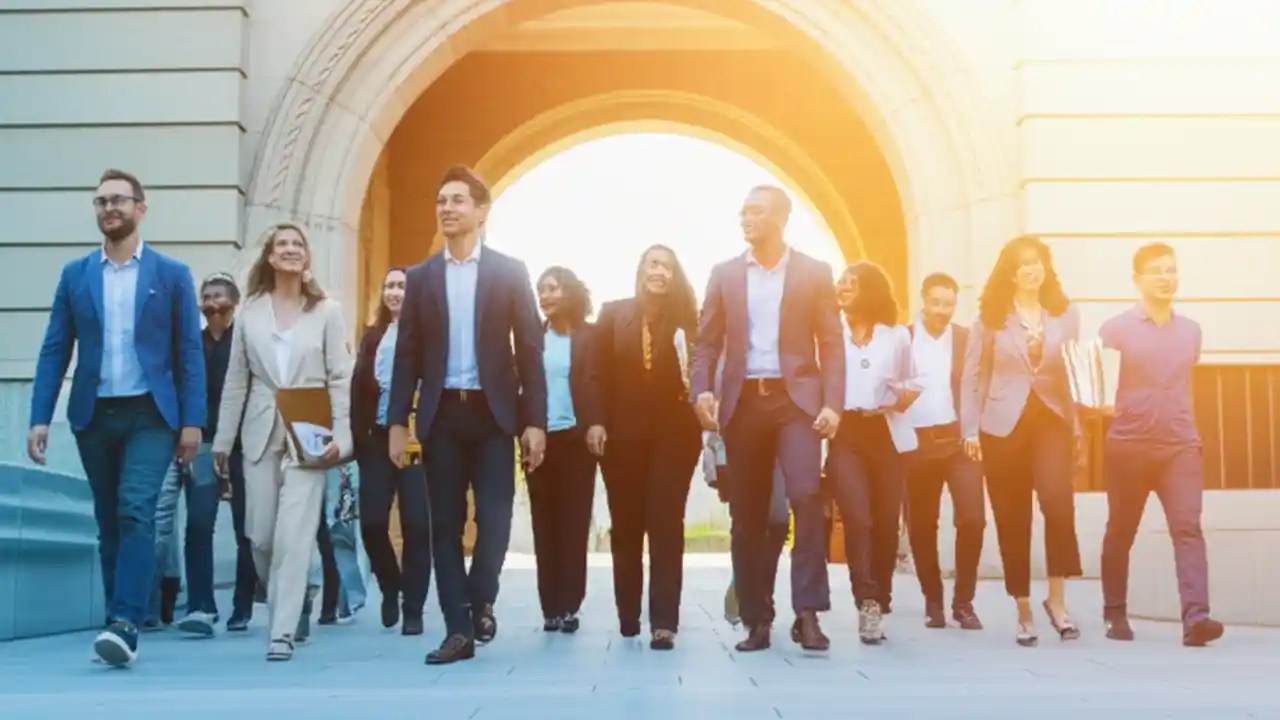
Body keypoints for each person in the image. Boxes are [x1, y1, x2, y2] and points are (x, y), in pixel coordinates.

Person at [27, 168, 206, 666]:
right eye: (101, 201)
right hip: (94, 414)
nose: (109, 209)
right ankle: (118, 616)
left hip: (151, 414)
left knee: (135, 509)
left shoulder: (170, 275)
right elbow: (54, 349)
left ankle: (125, 622)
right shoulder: (76, 275)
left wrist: (193, 421)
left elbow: (188, 352)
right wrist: (40, 416)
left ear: (140, 209)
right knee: (109, 520)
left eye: (119, 201)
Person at [388, 165, 547, 665]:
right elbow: (407, 355)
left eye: (458, 200)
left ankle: (482, 597)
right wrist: (397, 422)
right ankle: (458, 628)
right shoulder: (420, 278)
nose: (448, 208)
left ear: (480, 211)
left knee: (496, 520)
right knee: (446, 525)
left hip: (494, 415)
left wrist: (534, 422)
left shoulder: (509, 272)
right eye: (441, 200)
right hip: (441, 418)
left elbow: (530, 352)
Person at [691, 185, 844, 653]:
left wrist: (832, 403)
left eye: (755, 211)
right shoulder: (725, 274)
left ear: (780, 218)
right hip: (743, 405)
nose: (745, 218)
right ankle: (757, 618)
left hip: (795, 402)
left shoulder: (814, 272)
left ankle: (808, 613)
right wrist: (700, 390)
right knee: (748, 515)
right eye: (742, 211)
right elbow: (707, 342)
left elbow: (832, 343)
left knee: (805, 495)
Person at [212, 222, 353, 662]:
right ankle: (303, 592)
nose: (291, 250)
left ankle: (282, 631)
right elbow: (236, 380)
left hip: (310, 433)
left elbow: (340, 378)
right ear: (270, 258)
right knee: (260, 537)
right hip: (258, 431)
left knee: (295, 534)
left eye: (298, 244)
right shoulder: (250, 312)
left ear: (306, 257)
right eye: (282, 245)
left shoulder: (328, 311)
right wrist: (222, 439)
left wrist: (344, 436)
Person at [1098, 243, 1224, 647]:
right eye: (1156, 271)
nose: (1166, 278)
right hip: (1129, 445)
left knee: (1188, 528)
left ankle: (1196, 618)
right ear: (1137, 279)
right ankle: (1115, 612)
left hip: (1180, 445)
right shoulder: (1114, 330)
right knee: (1121, 530)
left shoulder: (1191, 331)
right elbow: (1100, 387)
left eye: (1171, 270)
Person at [961, 234, 1082, 647]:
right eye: (1023, 262)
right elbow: (973, 376)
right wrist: (970, 429)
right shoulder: (991, 320)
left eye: (1038, 261)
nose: (1032, 269)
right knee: (1013, 517)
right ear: (1011, 273)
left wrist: (1078, 426)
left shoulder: (1066, 315)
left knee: (1057, 501)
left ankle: (1058, 601)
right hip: (1001, 424)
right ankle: (1024, 609)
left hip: (1050, 418)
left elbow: (1071, 375)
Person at [596, 246, 703, 650]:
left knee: (664, 524)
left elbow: (702, 370)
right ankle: (628, 616)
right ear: (641, 270)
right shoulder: (612, 315)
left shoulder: (690, 320)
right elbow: (598, 374)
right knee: (625, 528)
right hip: (621, 437)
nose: (660, 272)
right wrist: (597, 422)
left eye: (669, 267)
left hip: (674, 436)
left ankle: (664, 623)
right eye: (654, 264)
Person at [827, 261, 920, 645]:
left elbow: (913, 381)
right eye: (841, 283)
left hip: (885, 431)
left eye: (852, 283)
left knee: (885, 522)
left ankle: (881, 597)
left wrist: (900, 396)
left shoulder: (896, 336)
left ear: (871, 290)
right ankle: (865, 599)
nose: (844, 288)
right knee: (857, 518)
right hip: (845, 432)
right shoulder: (830, 334)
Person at [351, 267, 431, 635]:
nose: (395, 292)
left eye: (402, 286)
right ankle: (389, 583)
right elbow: (357, 389)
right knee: (371, 523)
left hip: (413, 439)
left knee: (417, 524)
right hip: (376, 440)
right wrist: (355, 437)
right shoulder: (372, 338)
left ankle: (413, 607)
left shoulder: (428, 336)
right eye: (389, 286)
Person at [904, 273, 986, 631]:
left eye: (948, 304)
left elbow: (980, 385)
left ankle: (963, 602)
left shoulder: (967, 339)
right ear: (923, 300)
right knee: (921, 525)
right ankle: (933, 601)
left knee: (973, 519)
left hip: (958, 442)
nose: (941, 311)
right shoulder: (903, 339)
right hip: (916, 443)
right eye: (935, 302)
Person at [529, 266, 604, 634]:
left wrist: (597, 421)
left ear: (569, 293)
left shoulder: (591, 337)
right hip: (539, 443)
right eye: (541, 290)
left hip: (577, 440)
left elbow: (602, 384)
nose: (545, 296)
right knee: (545, 525)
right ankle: (551, 608)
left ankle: (571, 604)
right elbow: (522, 387)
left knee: (573, 524)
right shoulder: (531, 339)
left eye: (552, 288)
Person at [196, 273, 258, 632]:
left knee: (244, 528)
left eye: (218, 295)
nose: (212, 301)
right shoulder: (193, 342)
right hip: (202, 441)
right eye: (206, 295)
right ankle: (201, 604)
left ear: (233, 301)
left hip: (241, 444)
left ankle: (242, 605)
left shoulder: (244, 340)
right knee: (200, 523)